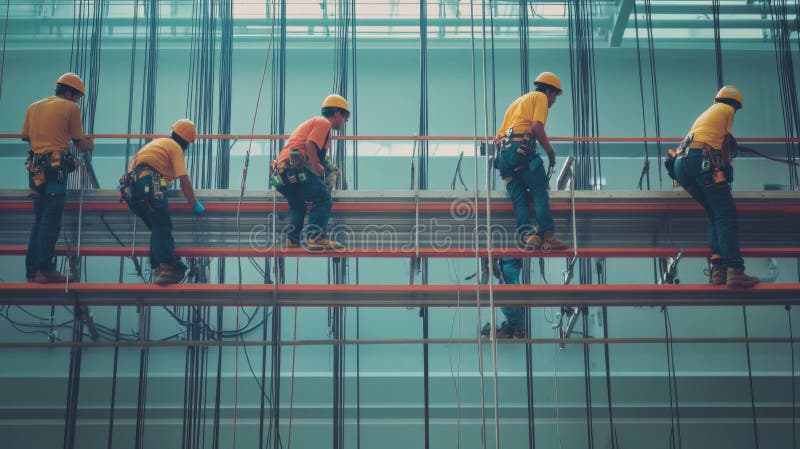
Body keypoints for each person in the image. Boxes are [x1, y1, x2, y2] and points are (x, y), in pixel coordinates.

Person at [673, 86, 759, 288]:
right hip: (701, 160)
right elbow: (726, 143)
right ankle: (735, 270)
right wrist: (727, 168)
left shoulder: (707, 114)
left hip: (681, 163)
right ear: (735, 105)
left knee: (714, 212)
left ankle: (718, 270)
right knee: (726, 214)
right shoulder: (727, 110)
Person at [22, 72, 94, 283]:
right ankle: (46, 268)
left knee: (39, 220)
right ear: (70, 93)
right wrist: (90, 144)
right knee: (51, 221)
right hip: (55, 170)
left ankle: (32, 270)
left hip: (35, 169)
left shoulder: (33, 106)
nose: (77, 100)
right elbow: (79, 143)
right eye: (77, 96)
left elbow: (26, 137)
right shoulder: (71, 108)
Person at [122, 119, 204, 285]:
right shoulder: (175, 148)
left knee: (156, 226)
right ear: (186, 143)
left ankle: (164, 262)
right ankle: (164, 267)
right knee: (162, 224)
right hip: (154, 181)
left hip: (133, 186)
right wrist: (193, 203)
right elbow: (184, 180)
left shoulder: (156, 144)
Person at [495, 72, 568, 251]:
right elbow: (536, 126)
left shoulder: (516, 104)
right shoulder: (540, 98)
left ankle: (528, 236)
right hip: (521, 151)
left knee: (519, 198)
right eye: (554, 97)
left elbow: (498, 137)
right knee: (539, 190)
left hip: (504, 157)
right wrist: (550, 151)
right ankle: (547, 234)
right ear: (549, 91)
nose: (553, 102)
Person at [271, 94, 349, 250]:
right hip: (295, 170)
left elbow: (320, 155)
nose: (344, 122)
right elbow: (310, 144)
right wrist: (317, 167)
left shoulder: (316, 126)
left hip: (282, 176)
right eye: (345, 118)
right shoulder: (323, 123)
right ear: (338, 113)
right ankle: (315, 237)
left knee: (298, 206)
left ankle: (292, 240)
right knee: (323, 198)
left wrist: (328, 167)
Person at [481, 258, 526, 339]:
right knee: (506, 282)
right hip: (507, 255)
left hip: (509, 254)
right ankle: (515, 325)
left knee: (508, 283)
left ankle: (516, 326)